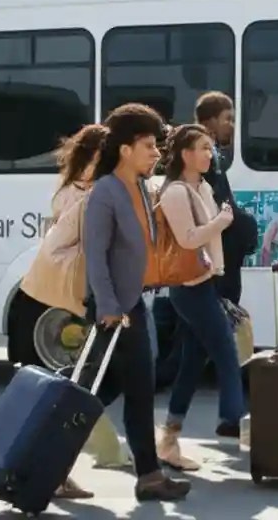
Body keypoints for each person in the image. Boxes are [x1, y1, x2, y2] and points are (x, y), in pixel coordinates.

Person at [81, 103, 192, 503]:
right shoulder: (106, 192)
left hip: (134, 304)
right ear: (125, 149)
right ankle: (148, 475)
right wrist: (110, 307)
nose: (156, 152)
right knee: (134, 390)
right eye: (148, 144)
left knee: (101, 391)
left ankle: (52, 457)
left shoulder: (143, 189)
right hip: (116, 310)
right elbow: (95, 255)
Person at [19, 124, 133, 499]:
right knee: (89, 383)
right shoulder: (77, 194)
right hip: (92, 297)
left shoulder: (93, 190)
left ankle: (73, 456)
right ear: (97, 154)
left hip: (102, 296)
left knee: (97, 380)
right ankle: (59, 462)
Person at [154, 124, 248, 472]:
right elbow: (190, 238)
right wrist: (222, 222)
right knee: (226, 349)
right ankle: (234, 419)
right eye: (204, 148)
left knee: (192, 365)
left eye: (212, 149)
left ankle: (169, 437)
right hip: (189, 287)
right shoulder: (176, 192)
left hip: (206, 282)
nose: (211, 155)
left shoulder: (203, 187)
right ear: (184, 155)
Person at [194, 91, 258, 304]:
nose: (231, 125)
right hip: (218, 250)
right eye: (227, 119)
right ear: (210, 121)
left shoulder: (214, 155)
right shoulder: (206, 158)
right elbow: (218, 204)